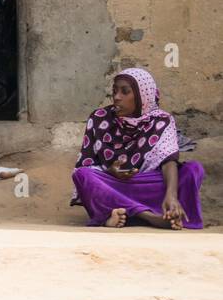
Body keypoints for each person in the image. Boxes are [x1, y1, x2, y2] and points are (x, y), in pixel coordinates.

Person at [71, 68, 205, 229]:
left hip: (150, 186)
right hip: (116, 186)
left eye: (125, 92)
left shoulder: (161, 121)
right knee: (82, 175)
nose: (117, 97)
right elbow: (87, 164)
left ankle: (129, 214)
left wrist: (171, 195)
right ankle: (149, 217)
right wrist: (109, 172)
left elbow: (168, 160)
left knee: (193, 169)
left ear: (143, 96)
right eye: (114, 91)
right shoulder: (99, 118)